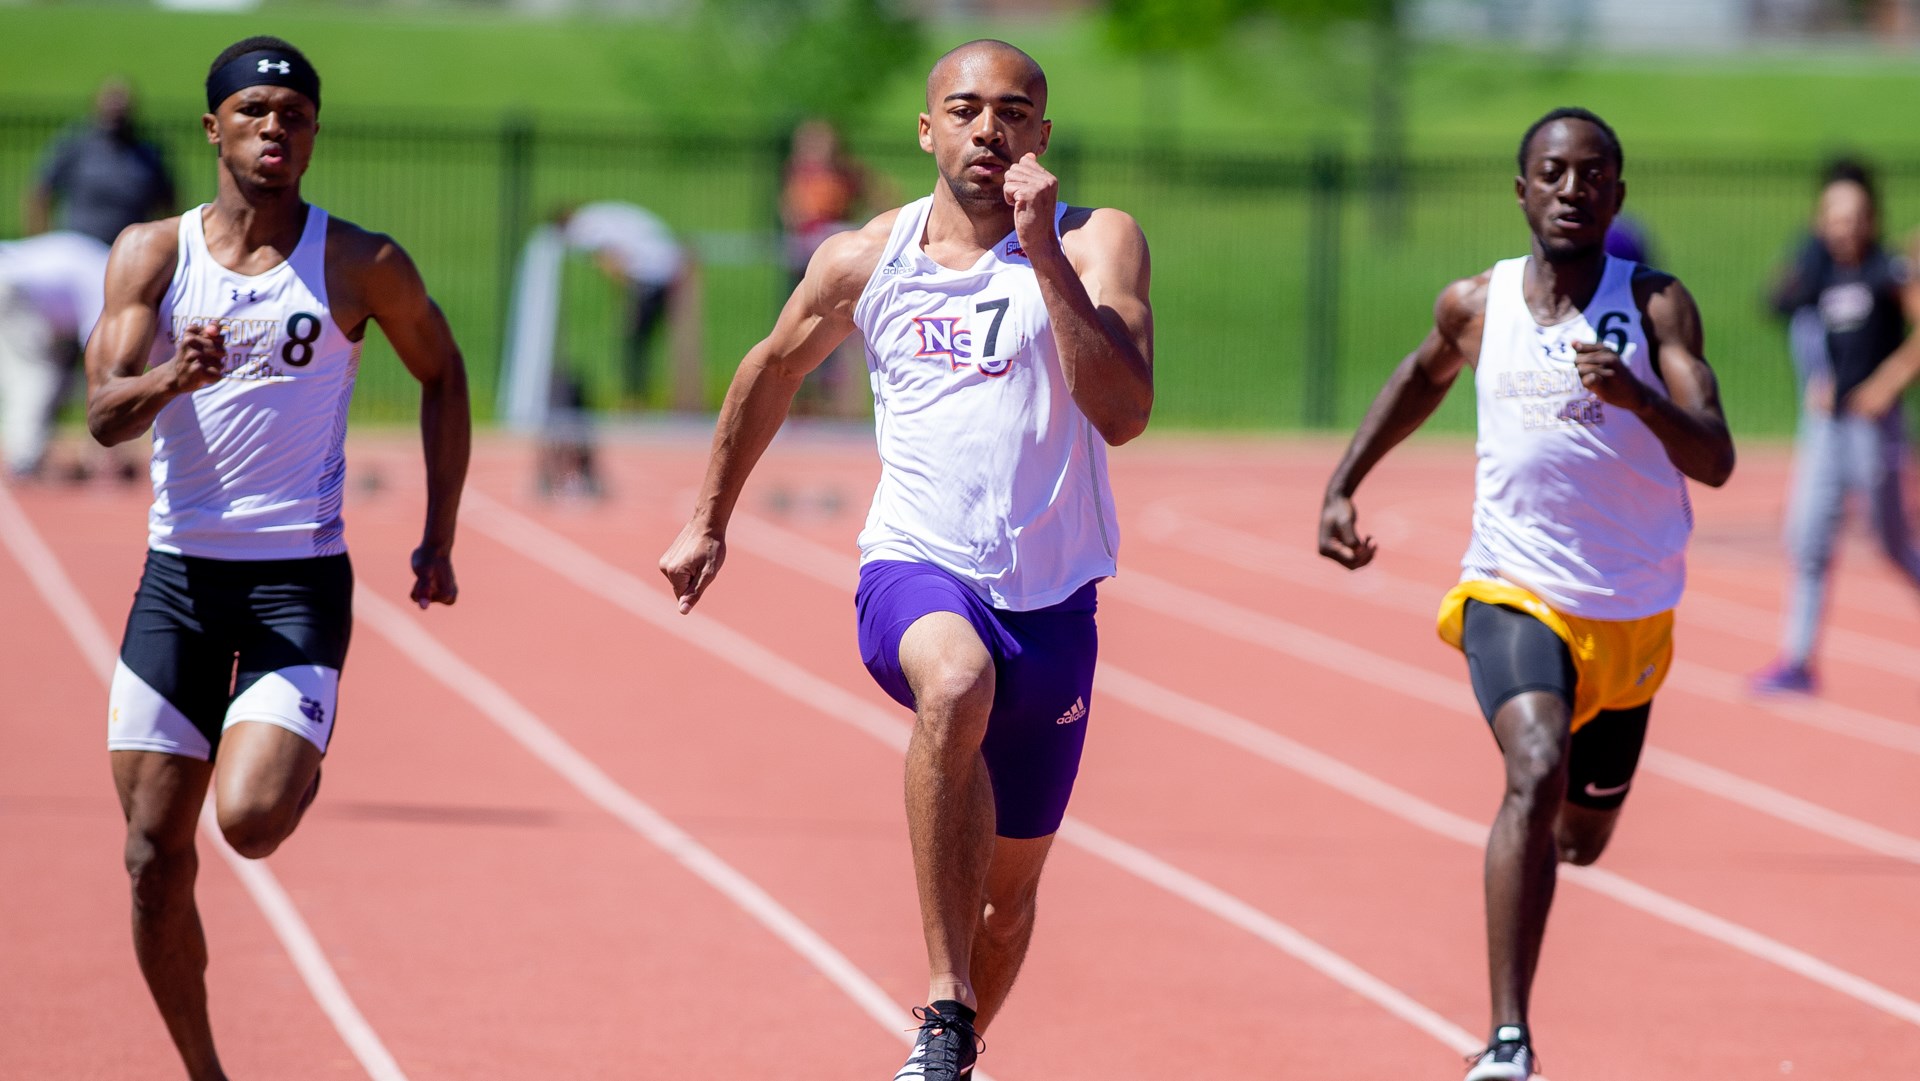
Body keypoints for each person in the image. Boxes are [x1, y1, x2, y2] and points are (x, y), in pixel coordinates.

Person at [660, 39, 1152, 1081]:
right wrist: (708, 518)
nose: (989, 130)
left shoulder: (1098, 241)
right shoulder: (863, 259)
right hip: (916, 569)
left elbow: (1121, 412)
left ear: (1043, 136)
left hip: (1055, 607)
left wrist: (1043, 255)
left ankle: (954, 1054)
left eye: (1013, 113)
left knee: (1009, 908)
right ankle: (943, 996)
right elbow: (772, 369)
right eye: (965, 110)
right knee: (957, 679)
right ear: (927, 130)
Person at [1318, 107, 1734, 1080]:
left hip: (1630, 610)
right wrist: (1344, 481)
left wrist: (1640, 397)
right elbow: (1420, 378)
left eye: (1592, 175)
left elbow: (1713, 458)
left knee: (1579, 839)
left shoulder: (1660, 306)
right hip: (1513, 586)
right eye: (1551, 172)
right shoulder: (1477, 302)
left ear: (1617, 195)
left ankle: (1537, 841)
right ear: (1521, 189)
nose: (1571, 189)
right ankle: (1508, 1040)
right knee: (1535, 760)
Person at [84, 37, 469, 1081]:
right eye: (253, 111)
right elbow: (101, 418)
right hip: (178, 583)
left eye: (293, 115)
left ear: (313, 133)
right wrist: (172, 377)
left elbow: (443, 371)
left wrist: (438, 530)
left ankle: (289, 747)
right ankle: (207, 1070)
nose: (273, 130)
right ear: (214, 127)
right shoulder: (151, 256)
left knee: (247, 822)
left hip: (296, 580)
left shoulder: (360, 262)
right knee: (151, 862)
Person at [1750, 159, 1920, 695]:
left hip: (1874, 431)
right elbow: (1776, 305)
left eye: (1855, 215)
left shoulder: (1887, 272)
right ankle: (1798, 661)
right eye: (1834, 216)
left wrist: (1887, 382)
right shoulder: (1818, 273)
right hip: (1825, 429)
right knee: (1808, 540)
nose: (1845, 226)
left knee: (1891, 542)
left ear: (1872, 219)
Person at [0, 229, 109, 479]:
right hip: (16, 288)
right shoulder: (103, 278)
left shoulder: (98, 258)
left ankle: (25, 451)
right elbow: (98, 356)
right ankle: (24, 459)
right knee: (38, 375)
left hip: (9, 278)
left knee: (23, 376)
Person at [26, 77, 176, 247]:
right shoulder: (77, 146)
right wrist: (41, 242)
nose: (116, 111)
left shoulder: (147, 154)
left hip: (129, 247)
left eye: (121, 106)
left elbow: (169, 202)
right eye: (111, 104)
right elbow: (41, 193)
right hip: (80, 246)